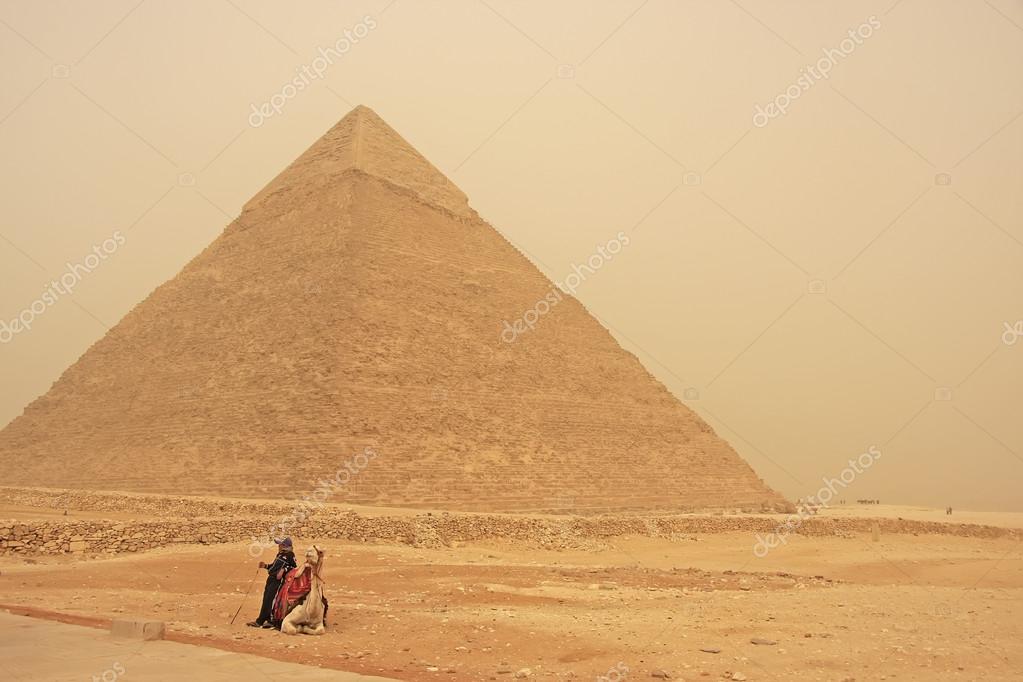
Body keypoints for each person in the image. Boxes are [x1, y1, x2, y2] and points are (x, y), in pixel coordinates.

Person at [247, 537, 297, 628]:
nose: (278, 546)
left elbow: (294, 568)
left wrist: (284, 569)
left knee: (273, 600)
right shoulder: (280, 554)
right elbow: (274, 567)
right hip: (271, 579)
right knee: (266, 599)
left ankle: (272, 621)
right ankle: (260, 621)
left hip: (278, 581)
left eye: (280, 544)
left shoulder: (290, 555)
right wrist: (265, 566)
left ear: (284, 545)